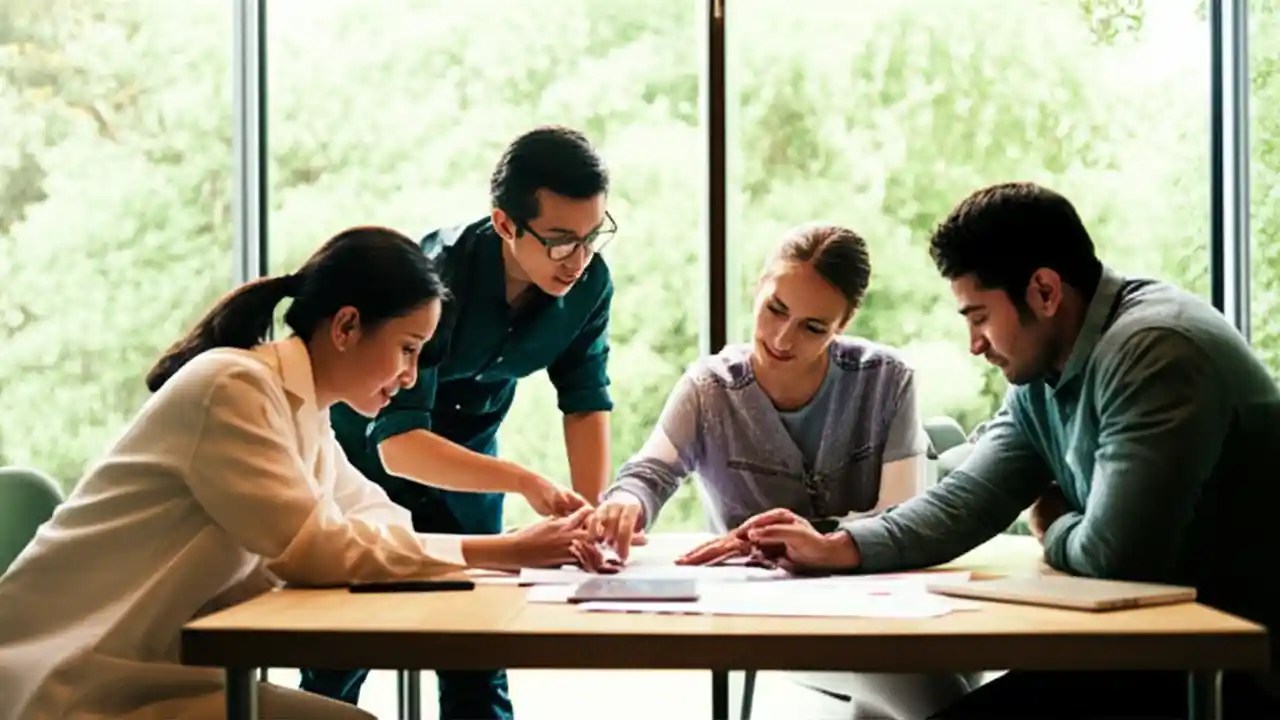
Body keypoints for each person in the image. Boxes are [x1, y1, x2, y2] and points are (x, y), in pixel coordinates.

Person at [686, 183, 1280, 718]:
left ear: (1045, 291)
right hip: (1155, 647)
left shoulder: (1155, 352)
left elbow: (1118, 557)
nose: (974, 345)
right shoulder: (1047, 369)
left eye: (979, 317)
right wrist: (836, 546)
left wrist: (1058, 523)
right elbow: (965, 502)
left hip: (1231, 665)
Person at [0, 227, 601, 720]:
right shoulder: (233, 388)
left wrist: (512, 552)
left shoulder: (302, 410)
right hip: (80, 679)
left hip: (157, 671)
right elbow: (314, 548)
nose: (413, 377)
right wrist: (502, 550)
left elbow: (376, 520)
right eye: (408, 348)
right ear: (345, 327)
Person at [592, 223, 979, 720]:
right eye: (776, 308)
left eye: (813, 327)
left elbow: (897, 521)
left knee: (950, 676)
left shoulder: (888, 381)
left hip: (877, 607)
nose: (781, 337)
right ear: (759, 285)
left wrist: (818, 541)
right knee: (935, 689)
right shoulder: (710, 389)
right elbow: (650, 472)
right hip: (771, 616)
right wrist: (625, 504)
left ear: (843, 323)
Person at [301, 126, 618, 718]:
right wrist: (523, 481)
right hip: (370, 470)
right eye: (557, 241)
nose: (576, 260)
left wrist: (591, 518)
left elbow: (584, 398)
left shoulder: (589, 283)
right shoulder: (436, 274)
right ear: (504, 223)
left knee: (478, 653)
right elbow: (398, 444)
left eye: (591, 237)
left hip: (471, 471)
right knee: (341, 656)